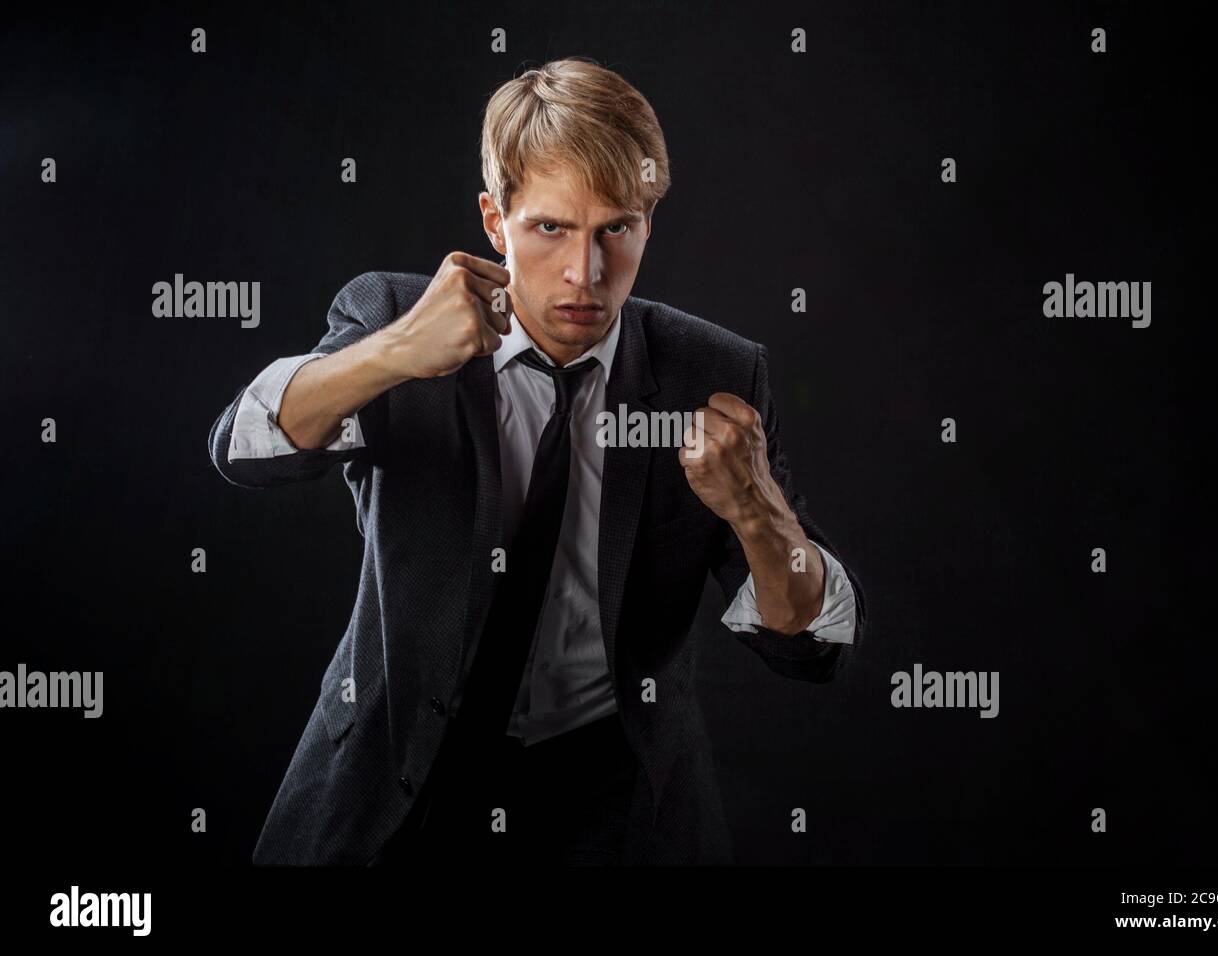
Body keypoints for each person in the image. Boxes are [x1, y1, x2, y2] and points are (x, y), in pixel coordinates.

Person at [207, 57, 866, 866]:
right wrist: (395, 354)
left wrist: (756, 508)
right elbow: (245, 444)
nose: (584, 275)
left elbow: (812, 642)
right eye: (550, 228)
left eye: (615, 230)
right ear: (495, 221)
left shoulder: (714, 373)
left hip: (614, 813)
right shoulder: (390, 316)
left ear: (648, 225)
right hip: (395, 785)